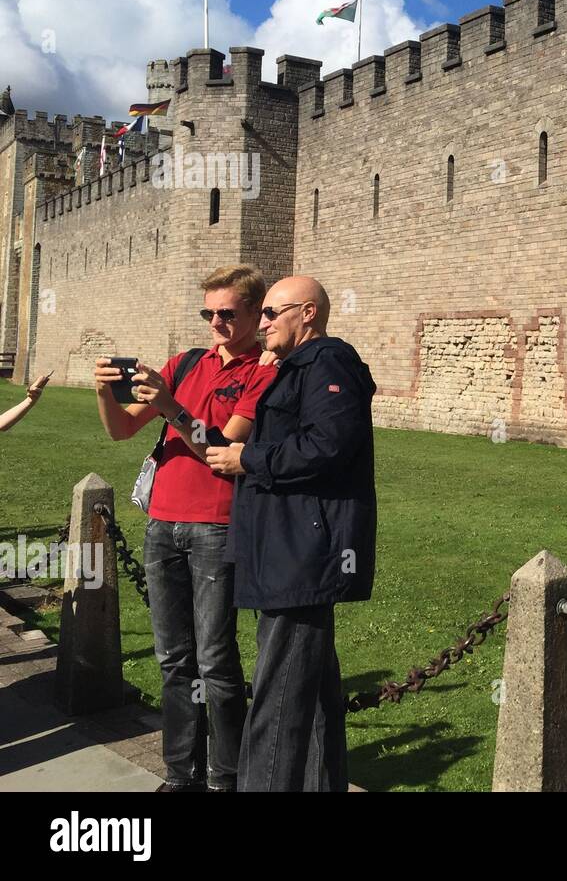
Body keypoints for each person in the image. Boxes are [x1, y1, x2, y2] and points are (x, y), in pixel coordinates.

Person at [93, 265, 277, 792]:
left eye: (227, 313)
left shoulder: (261, 375)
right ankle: (181, 774)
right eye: (208, 312)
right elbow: (122, 429)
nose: (216, 322)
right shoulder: (186, 362)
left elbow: (220, 451)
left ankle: (227, 777)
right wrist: (106, 391)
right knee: (174, 659)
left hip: (216, 527)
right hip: (162, 525)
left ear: (253, 314)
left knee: (216, 661)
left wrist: (169, 405)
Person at [205, 275, 376, 792]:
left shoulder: (328, 361)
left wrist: (248, 458)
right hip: (281, 549)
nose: (260, 323)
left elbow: (329, 444)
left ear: (307, 313)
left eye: (271, 313)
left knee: (277, 701)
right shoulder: (289, 368)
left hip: (300, 554)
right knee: (315, 693)